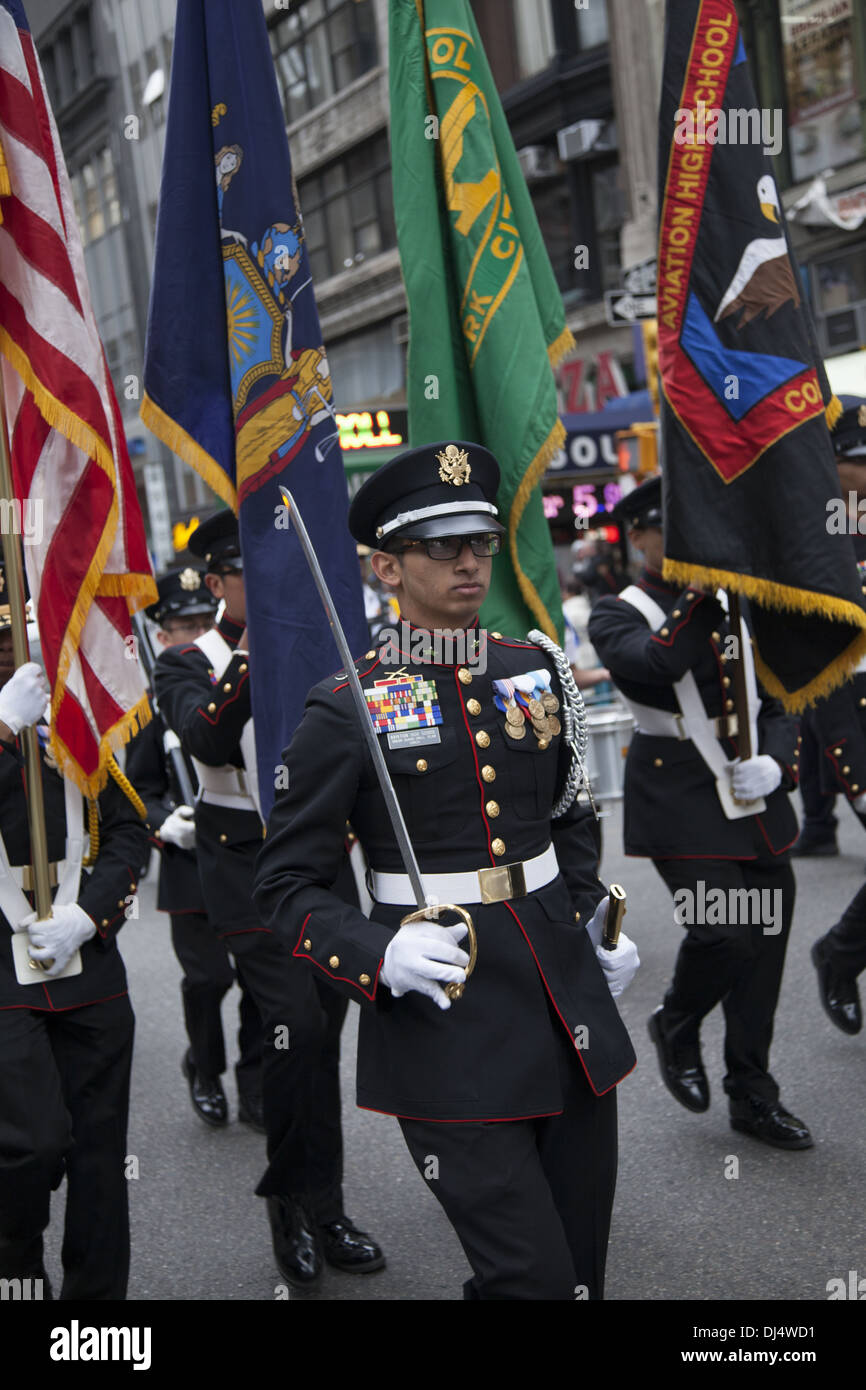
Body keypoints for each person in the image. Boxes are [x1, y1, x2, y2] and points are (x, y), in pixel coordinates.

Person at [255, 442, 639, 1301]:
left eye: (481, 541)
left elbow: (568, 816)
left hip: (564, 1004)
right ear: (387, 567)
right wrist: (377, 954)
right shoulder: (348, 707)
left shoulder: (531, 669)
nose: (469, 561)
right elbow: (285, 885)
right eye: (441, 546)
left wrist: (588, 922)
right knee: (532, 1281)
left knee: (581, 1275)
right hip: (447, 1016)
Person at [153, 512, 384, 1287]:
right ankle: (290, 1204)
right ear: (219, 583)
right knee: (295, 1025)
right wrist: (256, 654)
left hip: (319, 859)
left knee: (323, 1037)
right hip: (244, 866)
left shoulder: (317, 650)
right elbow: (207, 739)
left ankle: (327, 1204)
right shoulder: (189, 661)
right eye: (252, 574)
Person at [589, 475, 812, 1150]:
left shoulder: (739, 599)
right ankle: (677, 1022)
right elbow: (659, 664)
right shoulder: (617, 612)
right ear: (638, 537)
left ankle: (753, 1092)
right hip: (680, 798)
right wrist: (703, 594)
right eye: (672, 530)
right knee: (724, 934)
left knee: (763, 949)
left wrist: (778, 761)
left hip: (753, 797)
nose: (690, 542)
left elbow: (778, 697)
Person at [0, 586, 149, 1298]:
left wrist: (89, 916)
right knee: (28, 1146)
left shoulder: (74, 715)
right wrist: (3, 728)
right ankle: (16, 1272)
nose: (11, 647)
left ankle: (95, 1319)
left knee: (99, 1158)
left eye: (16, 631)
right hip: (2, 973)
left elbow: (125, 830)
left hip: (85, 958)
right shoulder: (12, 717)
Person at [126, 568, 264, 1130]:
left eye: (201, 622)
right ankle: (204, 1067)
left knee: (261, 980)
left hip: (241, 853)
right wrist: (166, 825)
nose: (194, 633)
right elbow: (138, 790)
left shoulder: (234, 682)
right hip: (191, 863)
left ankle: (256, 1082)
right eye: (182, 627)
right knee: (208, 979)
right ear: (162, 636)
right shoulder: (153, 705)